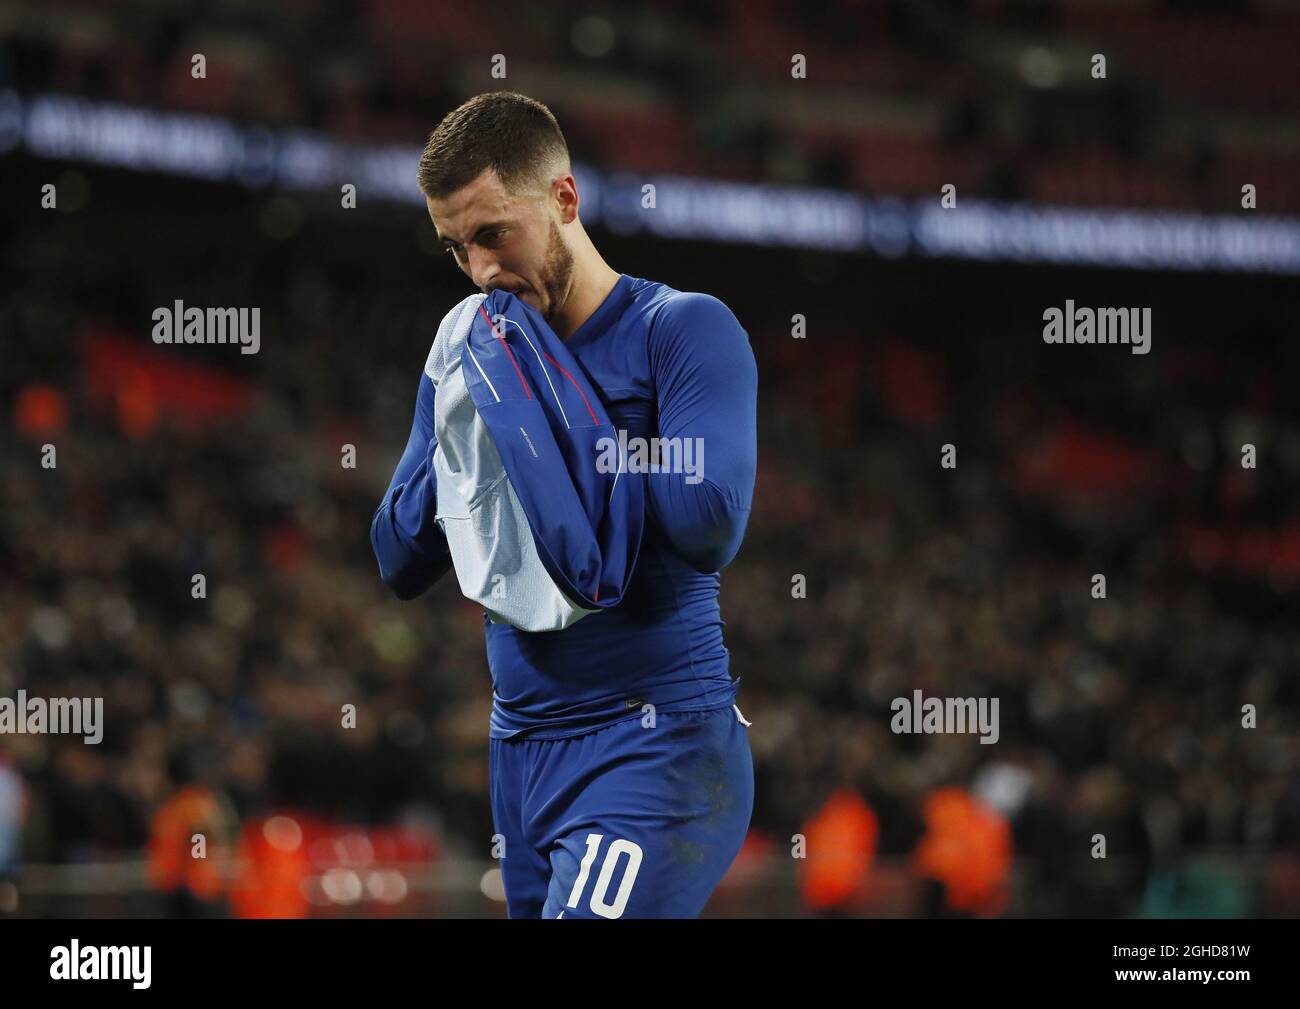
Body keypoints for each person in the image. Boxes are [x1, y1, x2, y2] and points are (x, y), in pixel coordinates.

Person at [371, 91, 758, 918]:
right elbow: (398, 554)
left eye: (493, 233)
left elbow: (709, 519)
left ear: (564, 200)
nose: (480, 271)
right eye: (456, 248)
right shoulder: (477, 356)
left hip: (658, 746)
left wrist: (565, 439)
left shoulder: (681, 330)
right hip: (522, 755)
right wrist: (482, 427)